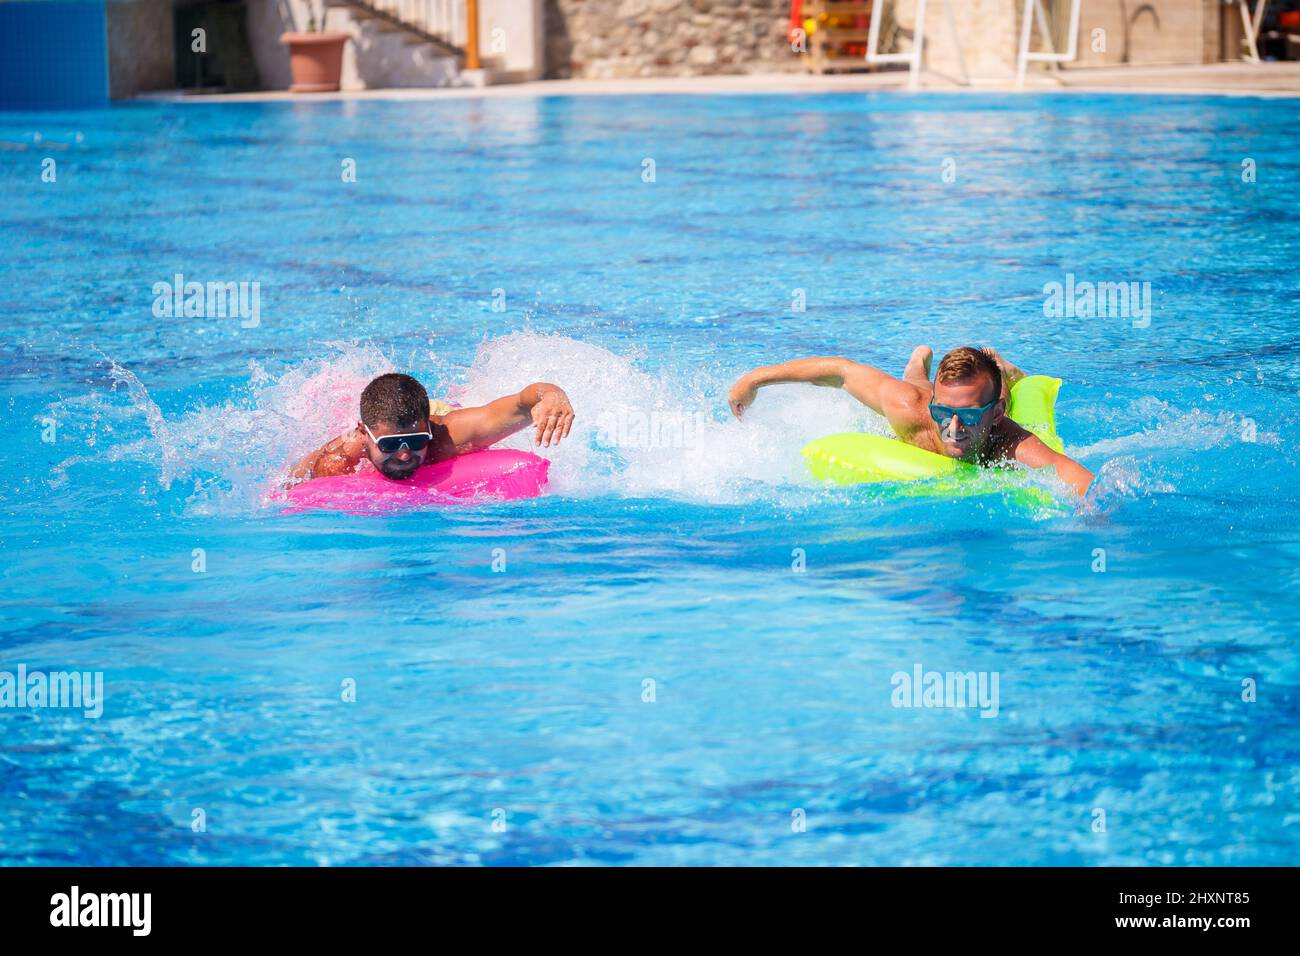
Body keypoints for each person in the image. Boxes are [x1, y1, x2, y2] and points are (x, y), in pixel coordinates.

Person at [727, 345, 1093, 496]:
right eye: (944, 414)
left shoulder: (1006, 436)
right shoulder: (914, 411)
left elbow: (1071, 473)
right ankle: (919, 359)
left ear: (992, 417)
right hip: (918, 396)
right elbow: (841, 372)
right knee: (913, 384)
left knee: (1007, 391)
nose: (953, 428)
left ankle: (1004, 369)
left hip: (994, 396)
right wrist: (754, 379)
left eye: (968, 417)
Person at [288, 372, 574, 484]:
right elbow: (293, 482)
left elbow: (523, 403)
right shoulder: (342, 456)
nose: (404, 455)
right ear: (365, 434)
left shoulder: (448, 436)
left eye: (415, 441)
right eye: (389, 445)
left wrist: (550, 395)